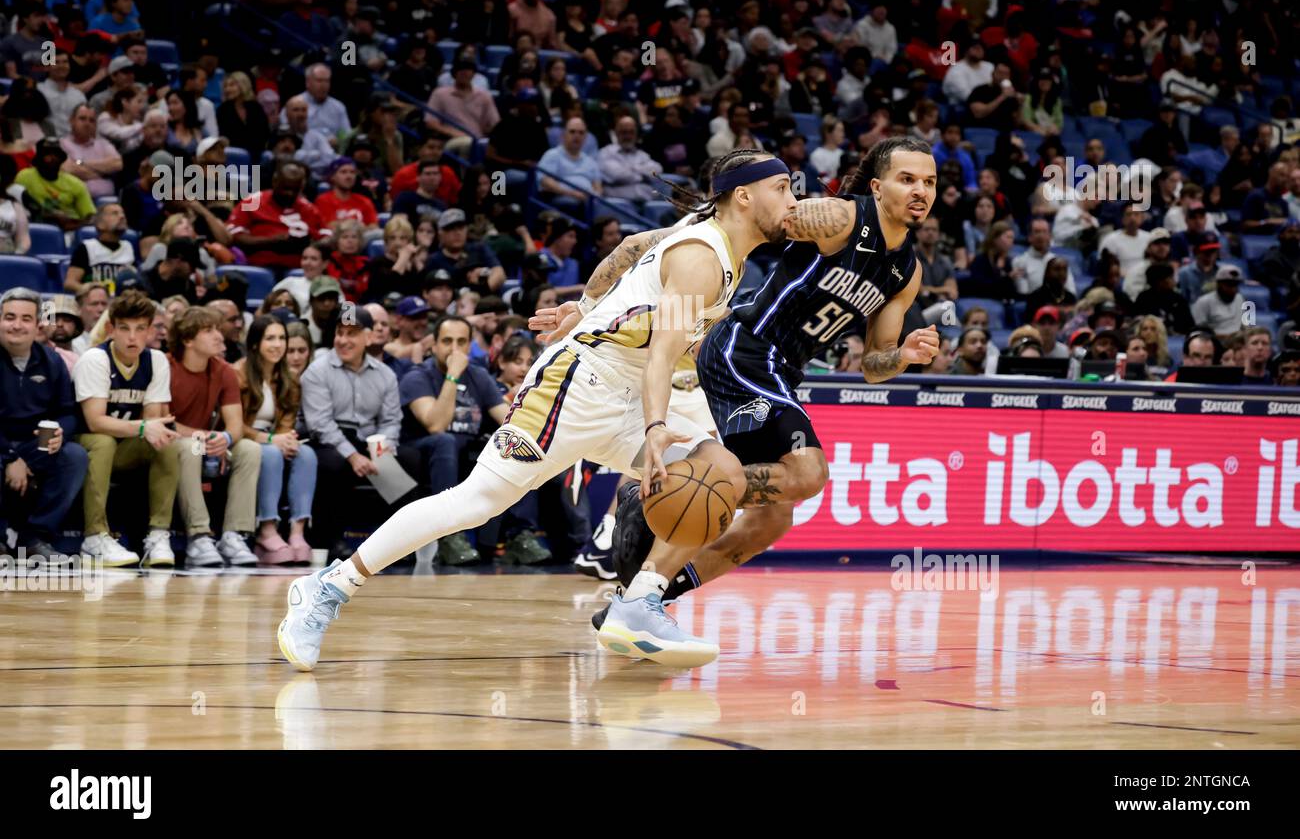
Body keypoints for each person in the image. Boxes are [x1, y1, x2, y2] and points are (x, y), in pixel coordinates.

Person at [279, 149, 800, 672]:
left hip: (623, 393)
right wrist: (659, 425)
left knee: (720, 473)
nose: (793, 200)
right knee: (475, 501)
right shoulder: (702, 258)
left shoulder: (716, 245)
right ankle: (327, 586)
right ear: (744, 195)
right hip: (577, 387)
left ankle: (638, 604)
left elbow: (635, 255)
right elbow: (662, 352)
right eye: (782, 187)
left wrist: (588, 304)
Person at [536, 140, 939, 642]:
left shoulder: (907, 271)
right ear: (878, 187)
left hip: (780, 370)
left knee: (770, 522)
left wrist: (902, 356)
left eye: (929, 182)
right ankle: (660, 504)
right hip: (745, 348)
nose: (920, 190)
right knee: (809, 470)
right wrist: (612, 281)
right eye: (907, 179)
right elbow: (726, 229)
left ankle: (643, 597)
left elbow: (874, 366)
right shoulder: (836, 219)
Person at [396, 315, 519, 565]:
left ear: (470, 346)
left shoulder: (479, 375)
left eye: (461, 342)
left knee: (510, 444)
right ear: (434, 346)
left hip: (463, 452)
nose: (454, 349)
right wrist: (452, 375)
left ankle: (496, 542)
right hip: (422, 453)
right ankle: (449, 537)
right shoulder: (417, 376)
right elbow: (435, 425)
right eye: (447, 341)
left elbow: (509, 419)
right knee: (445, 441)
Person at [73, 289, 183, 567]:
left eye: (140, 329)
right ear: (111, 329)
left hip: (126, 446)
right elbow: (95, 421)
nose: (132, 337)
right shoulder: (95, 359)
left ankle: (158, 535)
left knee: (169, 442)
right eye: (124, 329)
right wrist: (145, 426)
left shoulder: (156, 360)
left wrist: (148, 427)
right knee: (103, 441)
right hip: (84, 444)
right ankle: (95, 536)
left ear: (149, 330)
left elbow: (154, 421)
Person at [299, 306, 406, 561]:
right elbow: (320, 424)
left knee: (408, 460)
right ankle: (335, 541)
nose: (343, 340)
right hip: (329, 441)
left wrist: (383, 448)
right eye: (340, 333)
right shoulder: (317, 371)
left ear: (369, 337)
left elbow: (391, 420)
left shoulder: (385, 374)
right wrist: (353, 456)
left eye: (352, 334)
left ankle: (398, 544)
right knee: (335, 464)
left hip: (369, 440)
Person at [166, 306, 261, 568]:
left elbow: (235, 426)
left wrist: (225, 439)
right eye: (208, 331)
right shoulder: (166, 366)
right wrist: (206, 437)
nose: (219, 336)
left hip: (207, 444)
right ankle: (199, 536)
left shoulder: (224, 370)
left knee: (250, 449)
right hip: (173, 446)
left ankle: (234, 535)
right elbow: (164, 422)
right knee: (190, 446)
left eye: (218, 329)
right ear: (187, 339)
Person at [0, 288, 88, 563]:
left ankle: (35, 538)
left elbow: (67, 412)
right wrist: (11, 458)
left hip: (32, 444)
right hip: (2, 444)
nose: (17, 325)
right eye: (9, 317)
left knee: (74, 456)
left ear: (37, 324)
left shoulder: (52, 361)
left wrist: (62, 431)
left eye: (26, 318)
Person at [236, 315, 316, 566]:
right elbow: (234, 424)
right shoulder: (237, 374)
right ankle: (266, 530)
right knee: (270, 452)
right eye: (270, 338)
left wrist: (287, 439)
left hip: (272, 436)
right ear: (255, 343)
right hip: (242, 438)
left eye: (282, 338)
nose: (278, 344)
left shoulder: (290, 379)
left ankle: (297, 532)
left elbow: (286, 420)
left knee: (306, 454)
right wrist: (272, 439)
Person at [227, 161, 326, 272]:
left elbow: (327, 239)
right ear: (274, 182)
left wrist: (309, 244)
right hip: (259, 265)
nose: (290, 194)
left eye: (295, 190)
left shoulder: (309, 208)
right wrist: (272, 242)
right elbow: (234, 238)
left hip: (300, 269)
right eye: (286, 188)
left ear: (302, 187)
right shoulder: (252, 202)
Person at [64, 203, 136, 292]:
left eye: (123, 213)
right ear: (100, 224)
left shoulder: (128, 247)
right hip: (96, 302)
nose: (122, 216)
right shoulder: (87, 247)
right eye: (115, 213)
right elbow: (70, 283)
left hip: (122, 301)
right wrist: (90, 291)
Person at [1191, 264, 1245, 336]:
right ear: (1219, 284)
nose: (1233, 289)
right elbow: (1199, 331)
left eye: (1236, 284)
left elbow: (1245, 326)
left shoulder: (1240, 298)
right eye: (1229, 284)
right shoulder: (1203, 302)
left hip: (1239, 341)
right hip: (1214, 341)